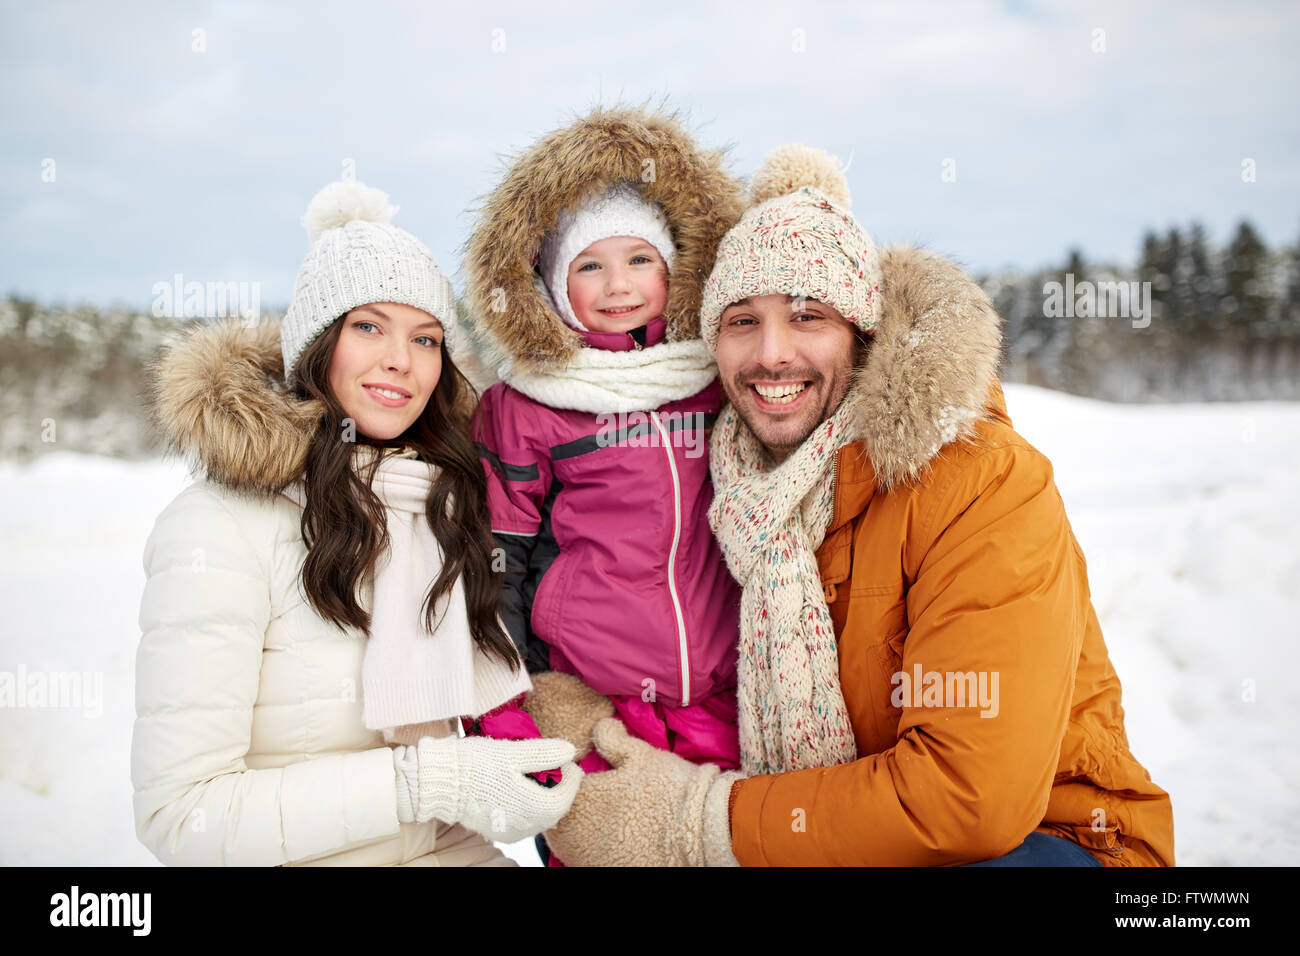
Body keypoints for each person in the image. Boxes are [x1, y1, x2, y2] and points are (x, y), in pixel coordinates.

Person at [537, 145, 1176, 867]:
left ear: (861, 332)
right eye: (742, 321)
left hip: (1045, 844)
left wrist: (698, 822)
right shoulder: (727, 479)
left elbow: (970, 802)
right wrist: (579, 724)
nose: (772, 355)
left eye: (808, 316)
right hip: (830, 834)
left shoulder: (980, 481)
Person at [132, 180, 580, 866]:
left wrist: (506, 784)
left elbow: (447, 819)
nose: (400, 359)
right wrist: (430, 781)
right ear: (316, 346)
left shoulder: (438, 510)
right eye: (368, 326)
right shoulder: (218, 528)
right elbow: (182, 816)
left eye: (425, 338)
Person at [460, 105, 747, 865]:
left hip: (726, 702)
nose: (618, 285)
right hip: (594, 705)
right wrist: (506, 707)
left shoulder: (714, 382)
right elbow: (499, 564)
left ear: (675, 270)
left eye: (639, 259)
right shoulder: (529, 405)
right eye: (589, 265)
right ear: (553, 288)